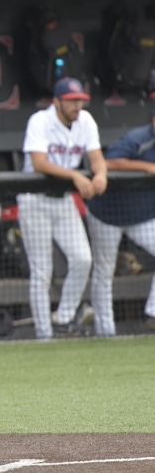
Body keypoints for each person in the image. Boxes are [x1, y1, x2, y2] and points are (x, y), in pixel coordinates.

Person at [17, 77, 107, 340]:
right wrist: (76, 176)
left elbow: (96, 158)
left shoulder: (86, 121)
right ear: (56, 102)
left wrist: (100, 175)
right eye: (71, 101)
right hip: (35, 200)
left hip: (62, 200)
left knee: (82, 259)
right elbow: (38, 163)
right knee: (42, 271)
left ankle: (64, 319)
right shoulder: (40, 121)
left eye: (79, 100)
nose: (77, 105)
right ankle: (44, 333)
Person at [85, 109, 155, 336]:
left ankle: (153, 315)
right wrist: (146, 167)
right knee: (104, 271)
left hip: (141, 215)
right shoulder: (138, 139)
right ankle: (106, 330)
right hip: (107, 213)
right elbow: (108, 163)